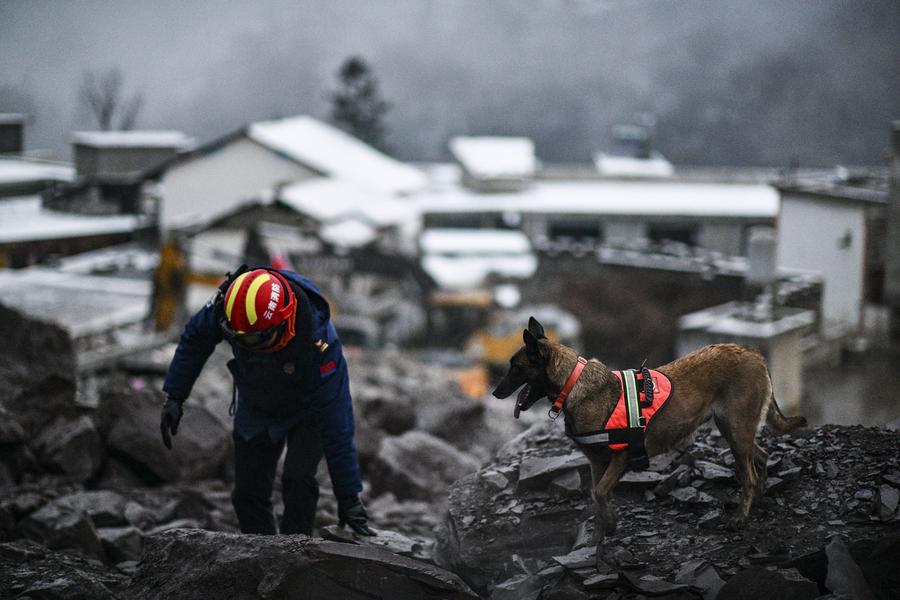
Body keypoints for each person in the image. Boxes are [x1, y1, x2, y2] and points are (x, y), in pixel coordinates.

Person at [160, 265, 375, 537]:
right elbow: (195, 337)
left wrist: (348, 496)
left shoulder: (320, 345)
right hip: (257, 400)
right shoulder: (231, 307)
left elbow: (337, 420)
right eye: (238, 339)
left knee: (298, 481)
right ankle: (260, 553)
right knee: (246, 495)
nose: (247, 346)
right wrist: (175, 396)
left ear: (282, 322)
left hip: (307, 410)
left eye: (253, 339)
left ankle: (294, 554)